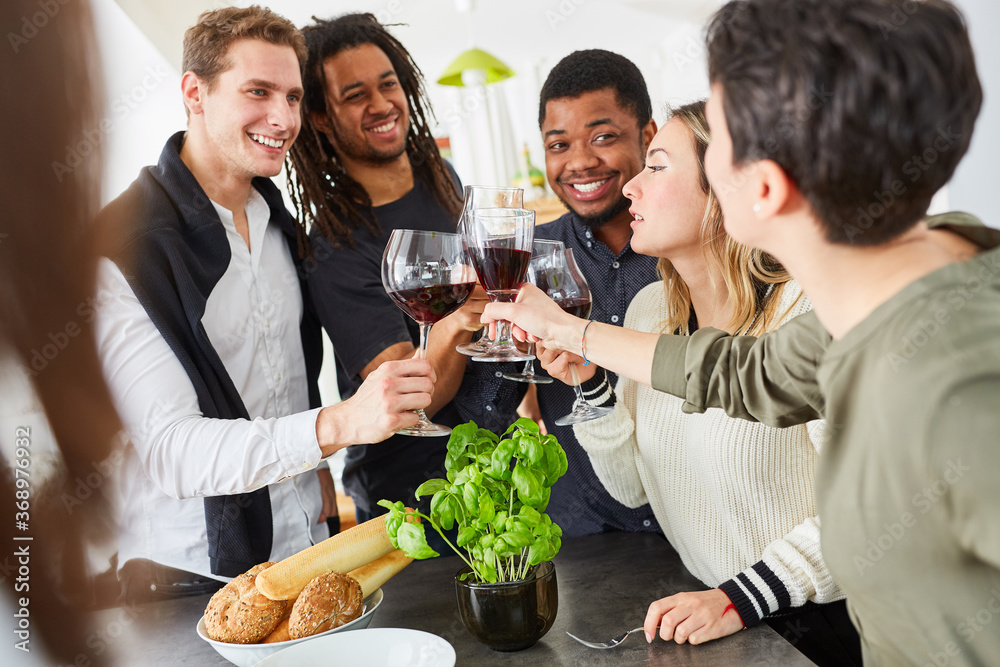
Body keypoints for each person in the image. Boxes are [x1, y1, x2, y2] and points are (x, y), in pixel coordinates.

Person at [484, 0, 999, 664]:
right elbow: (737, 373)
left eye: (716, 135)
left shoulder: (956, 376)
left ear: (762, 187)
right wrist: (570, 333)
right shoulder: (869, 314)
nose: (636, 175)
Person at [94, 6, 436, 600]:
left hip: (306, 555)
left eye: (294, 97)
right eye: (258, 92)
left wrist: (319, 475)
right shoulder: (125, 248)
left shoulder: (279, 225)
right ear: (194, 93)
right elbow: (172, 452)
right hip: (190, 581)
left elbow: (278, 389)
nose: (282, 118)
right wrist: (339, 424)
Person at [531, 101, 859, 665]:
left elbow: (865, 514)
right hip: (718, 620)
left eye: (655, 166)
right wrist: (590, 386)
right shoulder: (650, 311)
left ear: (724, 191)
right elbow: (634, 489)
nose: (630, 186)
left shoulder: (806, 310)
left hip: (821, 624)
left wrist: (736, 601)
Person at [286, 13, 487, 540]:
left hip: (493, 468)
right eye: (355, 95)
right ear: (323, 119)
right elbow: (410, 396)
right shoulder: (333, 244)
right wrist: (463, 312)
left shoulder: (442, 178)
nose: (381, 105)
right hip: (411, 500)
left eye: (388, 84)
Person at [454, 49, 662, 538]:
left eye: (603, 137)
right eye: (559, 145)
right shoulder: (525, 256)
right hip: (582, 532)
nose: (580, 163)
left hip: (697, 523)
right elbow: (487, 413)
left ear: (648, 136)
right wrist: (487, 332)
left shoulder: (687, 246)